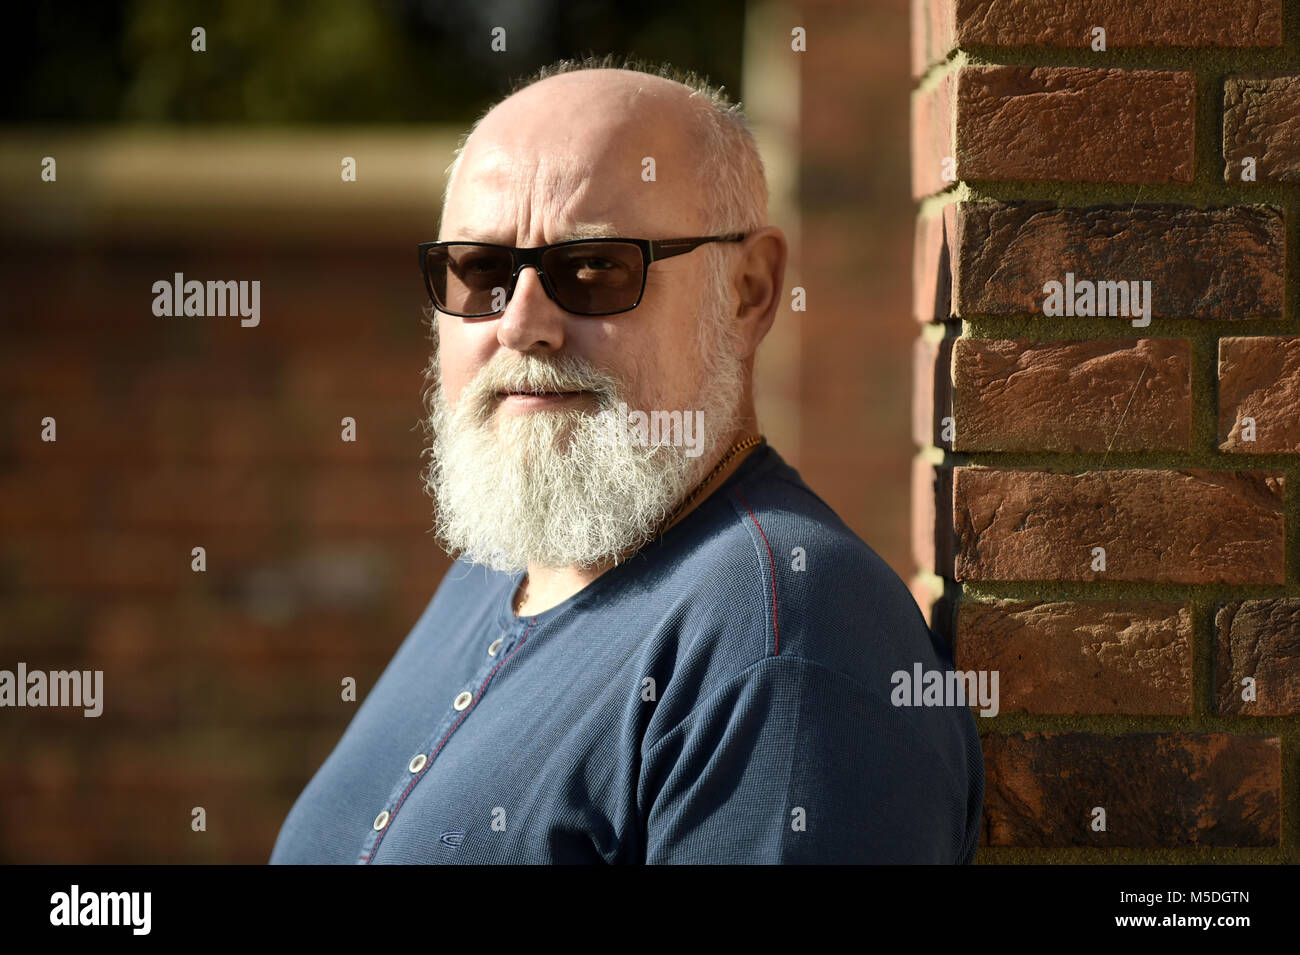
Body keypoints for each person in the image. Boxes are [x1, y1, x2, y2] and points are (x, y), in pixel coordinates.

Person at [269, 55, 983, 865]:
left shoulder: (786, 638)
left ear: (748, 289)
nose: (522, 324)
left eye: (595, 268)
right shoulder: (499, 563)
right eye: (482, 271)